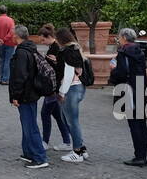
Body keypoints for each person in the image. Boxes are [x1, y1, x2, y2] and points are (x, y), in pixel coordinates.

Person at [10, 26, 50, 169]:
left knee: (30, 125)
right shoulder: (30, 49)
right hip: (31, 93)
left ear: (17, 36)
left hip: (25, 94)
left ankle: (39, 157)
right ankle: (28, 153)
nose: (12, 36)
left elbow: (20, 76)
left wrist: (15, 95)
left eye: (13, 34)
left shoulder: (21, 52)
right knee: (28, 124)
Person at [109, 28, 147, 167]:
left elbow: (121, 73)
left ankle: (139, 156)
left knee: (134, 124)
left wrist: (113, 70)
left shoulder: (124, 52)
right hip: (140, 87)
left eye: (119, 37)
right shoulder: (139, 51)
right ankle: (142, 154)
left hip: (128, 89)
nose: (118, 39)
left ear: (124, 37)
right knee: (141, 123)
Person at [35, 24, 73, 152]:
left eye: (43, 39)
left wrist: (54, 62)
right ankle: (68, 141)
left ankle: (45, 141)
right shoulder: (54, 47)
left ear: (50, 37)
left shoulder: (56, 48)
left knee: (45, 113)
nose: (42, 42)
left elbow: (60, 69)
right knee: (58, 115)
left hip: (54, 88)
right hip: (54, 87)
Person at [56, 27, 89, 163]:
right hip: (79, 87)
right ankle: (81, 148)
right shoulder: (76, 49)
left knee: (71, 121)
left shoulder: (67, 52)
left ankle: (77, 151)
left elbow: (68, 74)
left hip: (71, 88)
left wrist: (62, 92)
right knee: (71, 120)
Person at [0, 5, 17, 85]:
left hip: (0, 43)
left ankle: (2, 78)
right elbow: (12, 32)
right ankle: (5, 79)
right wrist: (4, 39)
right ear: (6, 11)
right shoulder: (10, 20)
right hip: (9, 43)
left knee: (2, 60)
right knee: (8, 61)